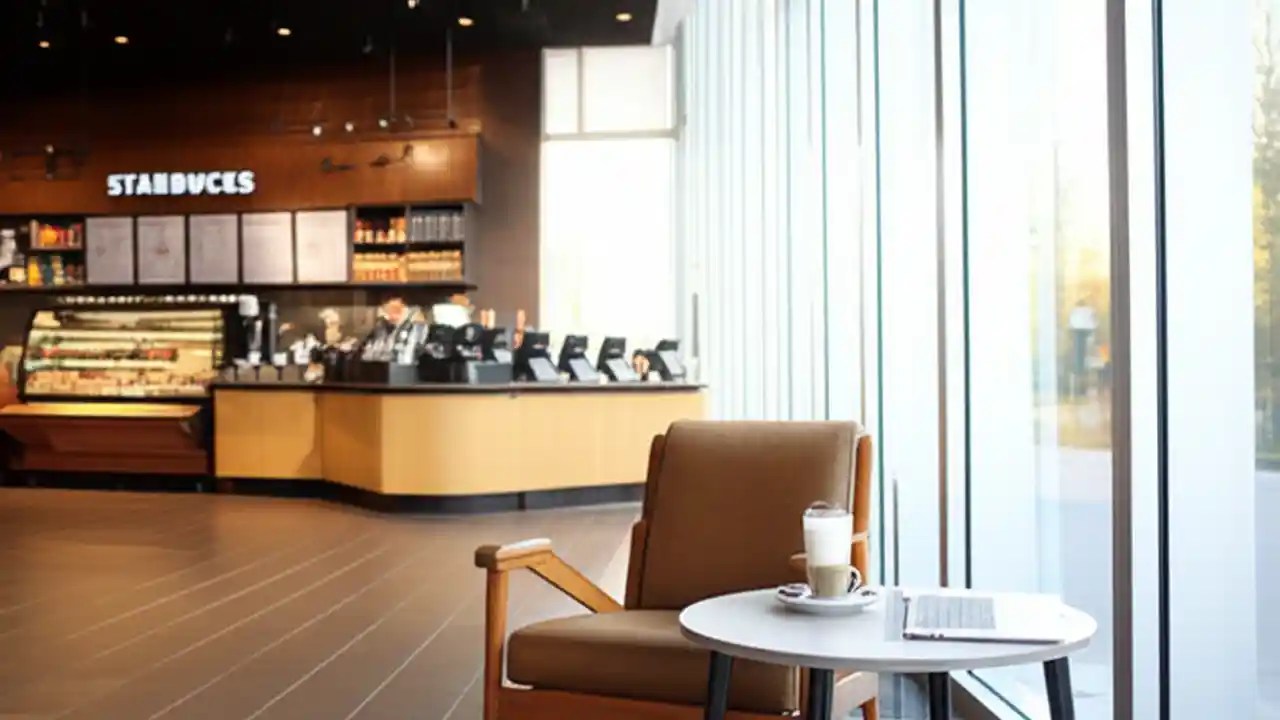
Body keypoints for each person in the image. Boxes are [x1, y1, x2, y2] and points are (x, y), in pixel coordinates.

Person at [1068, 298, 1098, 397]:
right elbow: (1094, 323)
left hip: (1080, 334)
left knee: (1081, 361)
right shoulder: (1087, 311)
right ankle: (1083, 388)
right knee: (1084, 361)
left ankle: (1082, 388)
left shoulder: (1077, 312)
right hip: (1084, 333)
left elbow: (1072, 324)